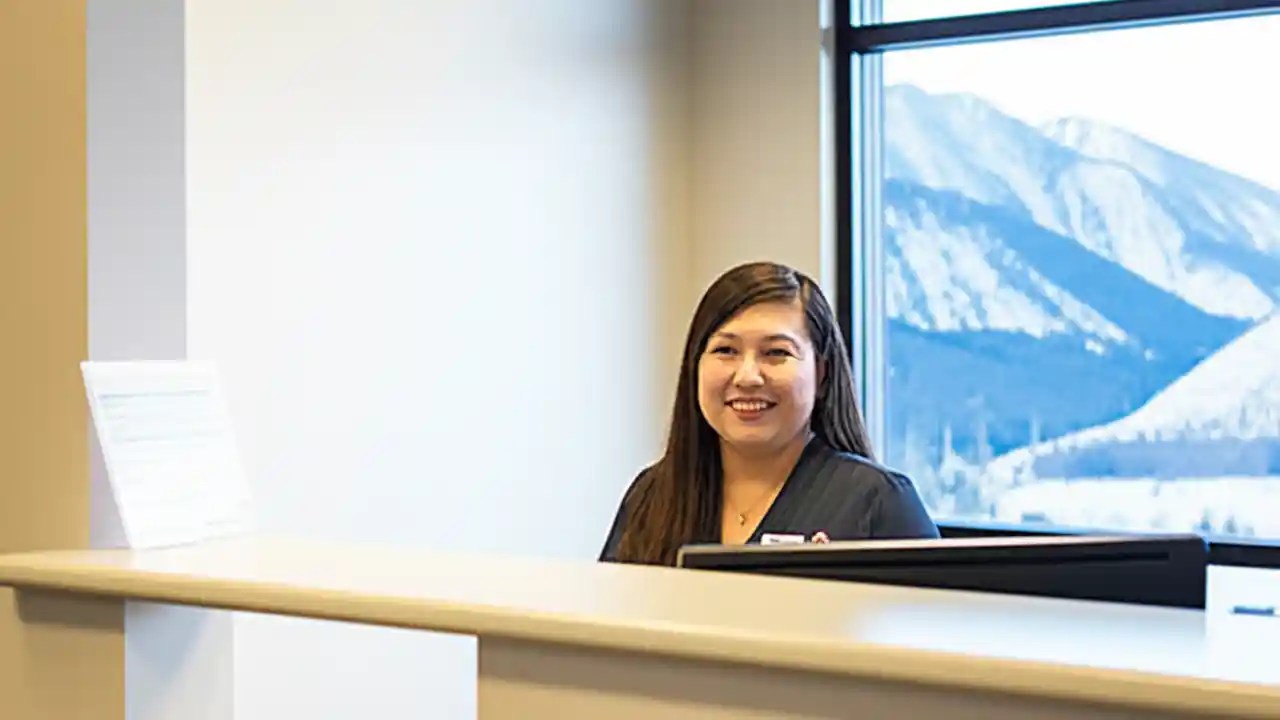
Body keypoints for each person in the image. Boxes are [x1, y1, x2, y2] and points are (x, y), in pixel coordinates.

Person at [600, 261, 939, 566]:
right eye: (726, 350)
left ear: (821, 374)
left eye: (776, 352)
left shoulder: (878, 503)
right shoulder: (652, 495)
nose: (747, 377)